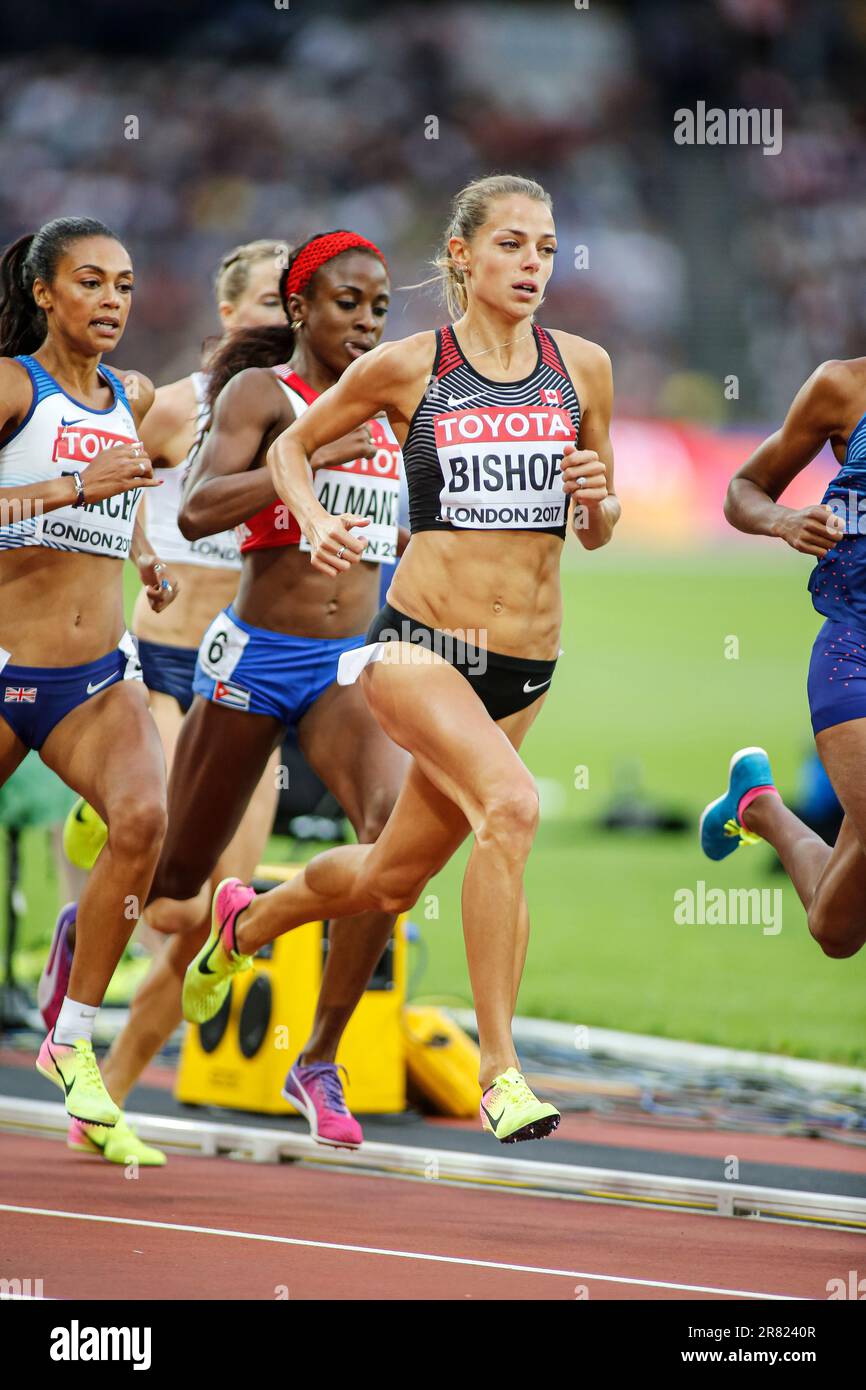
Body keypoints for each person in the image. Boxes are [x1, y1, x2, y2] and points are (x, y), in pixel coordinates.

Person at [183, 174, 620, 1144]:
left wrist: (596, 498)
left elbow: (595, 527)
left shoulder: (581, 366)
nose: (531, 266)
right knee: (510, 808)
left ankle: (245, 924)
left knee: (389, 881)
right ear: (460, 256)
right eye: (510, 245)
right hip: (416, 647)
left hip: (525, 666)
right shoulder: (408, 366)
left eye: (544, 249)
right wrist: (312, 515)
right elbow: (293, 447)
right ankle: (500, 1072)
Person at [146, 228, 410, 1147]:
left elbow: (425, 526)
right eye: (348, 304)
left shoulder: (393, 401)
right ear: (300, 310)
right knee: (173, 884)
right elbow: (197, 507)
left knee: (395, 845)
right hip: (255, 658)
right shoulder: (264, 392)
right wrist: (301, 465)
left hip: (347, 669)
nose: (367, 323)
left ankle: (319, 1056)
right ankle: (95, 920)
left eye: (380, 306)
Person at [42, 241, 288, 1166]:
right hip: (164, 659)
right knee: (167, 901)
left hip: (252, 669)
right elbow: (110, 473)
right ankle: (97, 816)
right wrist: (138, 560)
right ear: (227, 315)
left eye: (292, 304)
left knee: (209, 917)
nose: (281, 317)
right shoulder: (180, 403)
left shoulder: (308, 408)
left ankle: (103, 1102)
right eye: (266, 300)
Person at [0, 216, 178, 1128]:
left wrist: (142, 551)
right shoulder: (8, 387)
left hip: (94, 679)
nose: (112, 301)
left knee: (144, 820)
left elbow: (126, 481)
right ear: (43, 293)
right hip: (3, 665)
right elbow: (90, 481)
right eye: (91, 283)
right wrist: (78, 488)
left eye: (125, 284)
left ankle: (70, 1035)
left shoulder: (132, 393)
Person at [700, 356, 866, 960]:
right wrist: (784, 520)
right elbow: (743, 488)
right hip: (856, 654)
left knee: (837, 930)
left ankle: (760, 806)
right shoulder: (844, 388)